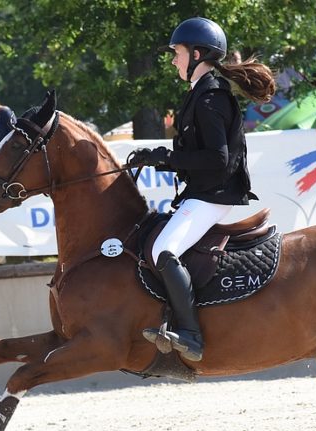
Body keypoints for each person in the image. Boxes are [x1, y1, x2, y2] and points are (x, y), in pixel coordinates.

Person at [129, 16, 275, 362]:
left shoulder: (211, 97)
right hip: (204, 192)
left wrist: (166, 157)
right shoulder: (199, 93)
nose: (174, 60)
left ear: (197, 54)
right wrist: (160, 158)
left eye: (177, 53)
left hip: (215, 194)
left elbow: (217, 159)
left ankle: (190, 334)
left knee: (164, 250)